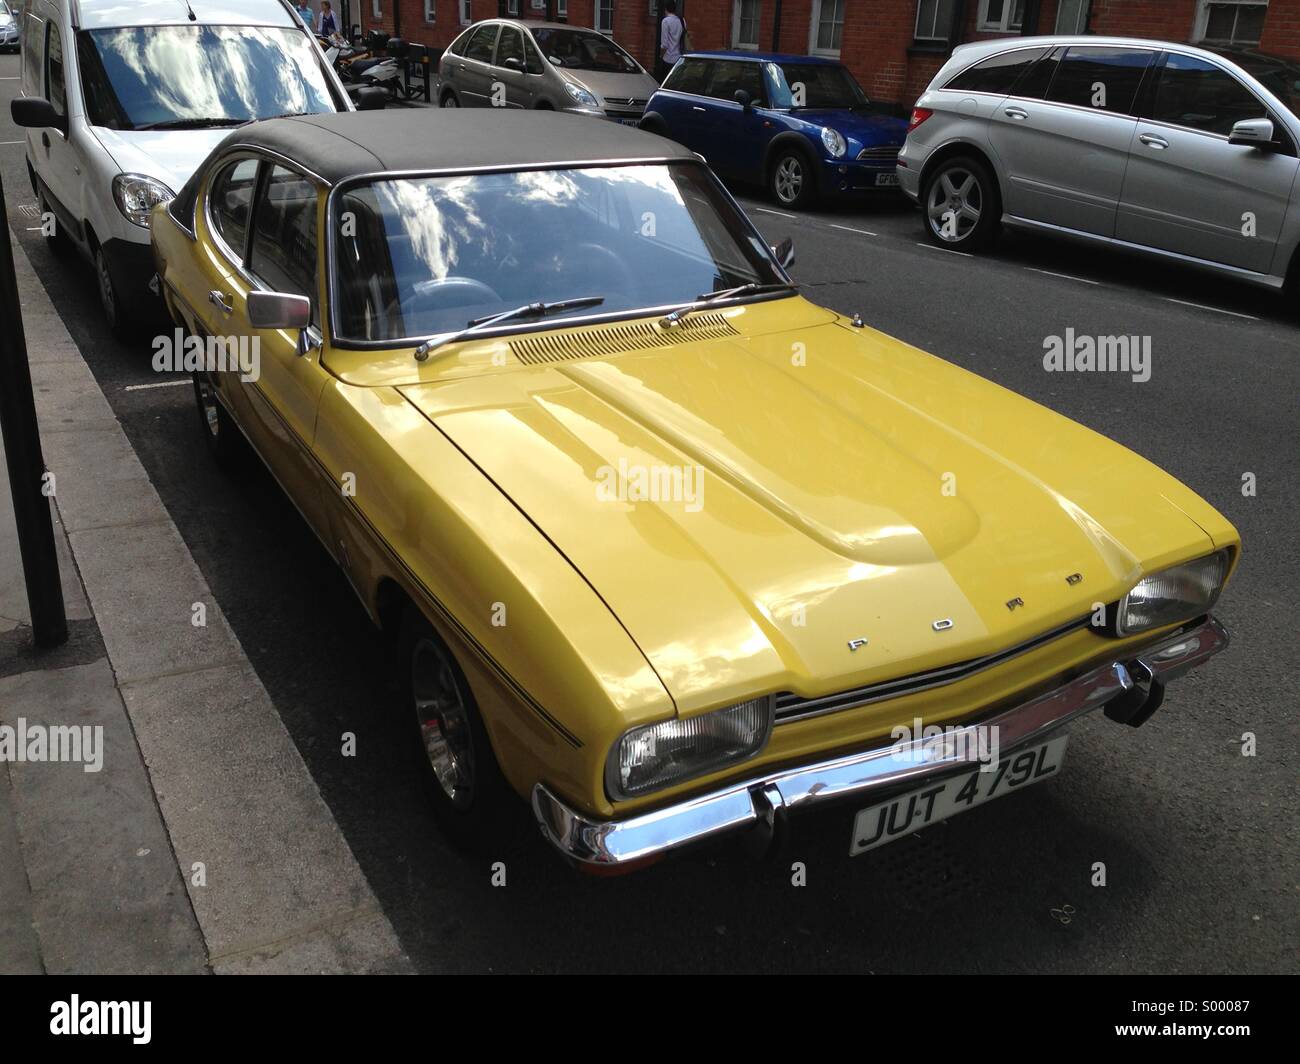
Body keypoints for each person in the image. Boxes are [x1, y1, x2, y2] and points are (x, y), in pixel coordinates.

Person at [658, 1, 685, 82]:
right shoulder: (682, 20)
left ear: (665, 9)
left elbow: (664, 44)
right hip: (679, 58)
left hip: (668, 58)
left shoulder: (666, 21)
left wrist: (661, 56)